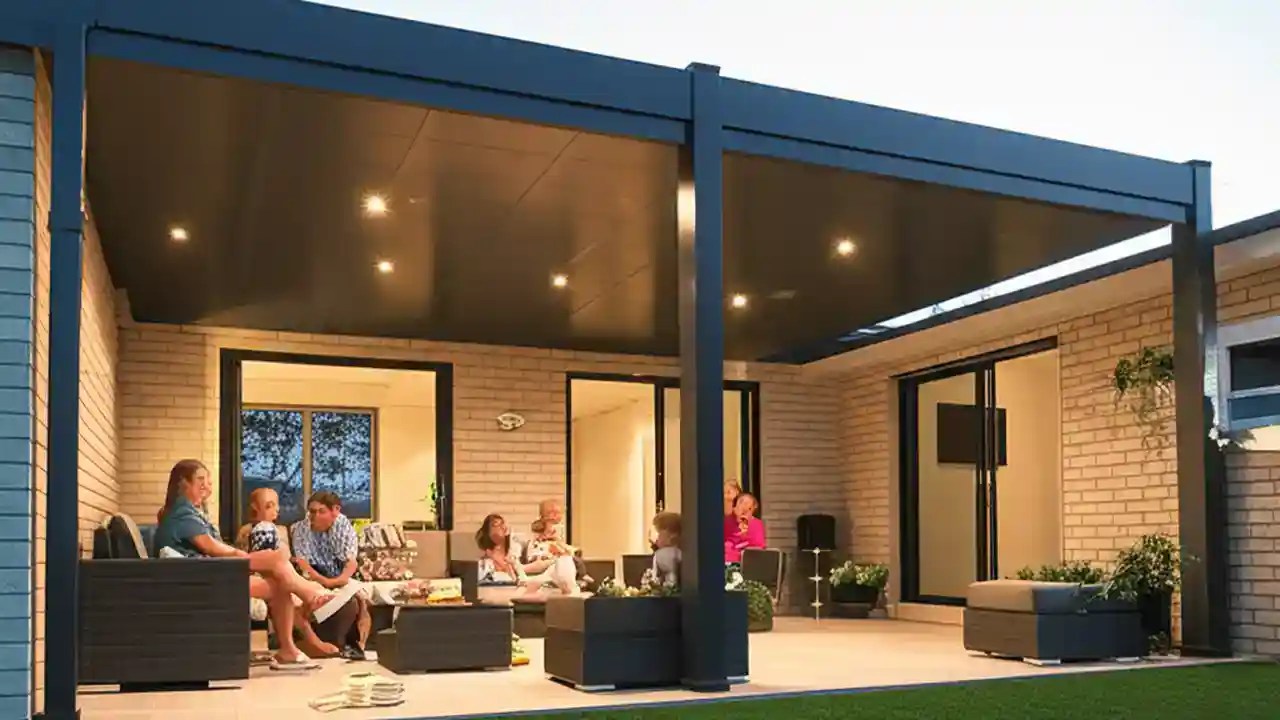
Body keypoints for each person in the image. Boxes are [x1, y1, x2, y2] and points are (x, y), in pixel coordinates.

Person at [152, 459, 333, 671]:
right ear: (182, 483)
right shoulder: (183, 512)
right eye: (200, 480)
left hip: (205, 573)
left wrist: (243, 559)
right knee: (274, 559)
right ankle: (310, 594)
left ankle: (289, 648)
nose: (206, 486)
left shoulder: (190, 512)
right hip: (201, 577)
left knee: (278, 577)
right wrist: (241, 557)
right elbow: (212, 548)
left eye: (208, 481)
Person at [237, 488, 362, 660]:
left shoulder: (271, 528)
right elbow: (266, 559)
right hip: (266, 574)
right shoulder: (262, 529)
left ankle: (342, 643)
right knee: (286, 591)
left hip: (282, 573)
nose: (276, 510)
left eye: (275, 505)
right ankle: (310, 638)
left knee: (289, 589)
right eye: (268, 506)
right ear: (254, 508)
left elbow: (349, 560)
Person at [290, 491, 371, 660]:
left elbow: (351, 562)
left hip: (339, 574)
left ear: (335, 511)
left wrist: (338, 581)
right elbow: (304, 566)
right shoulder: (301, 528)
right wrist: (324, 581)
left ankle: (358, 644)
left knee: (361, 599)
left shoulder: (342, 524)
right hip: (312, 574)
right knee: (313, 596)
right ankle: (316, 642)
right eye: (312, 512)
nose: (314, 516)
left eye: (321, 512)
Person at [476, 513, 577, 595]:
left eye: (503, 523)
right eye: (496, 525)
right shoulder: (486, 562)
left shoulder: (517, 548)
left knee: (564, 561)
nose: (502, 526)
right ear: (488, 532)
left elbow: (536, 547)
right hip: (504, 591)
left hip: (528, 587)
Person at [525, 498, 593, 587]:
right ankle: (581, 576)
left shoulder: (559, 527)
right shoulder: (540, 524)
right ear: (543, 514)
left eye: (558, 513)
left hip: (554, 552)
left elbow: (558, 541)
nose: (555, 516)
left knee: (574, 557)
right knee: (568, 558)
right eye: (551, 512)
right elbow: (538, 537)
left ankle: (580, 576)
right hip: (541, 552)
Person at [723, 491, 766, 564]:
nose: (744, 507)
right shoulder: (726, 522)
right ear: (734, 507)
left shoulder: (757, 524)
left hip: (748, 562)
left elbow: (759, 547)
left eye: (749, 508)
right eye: (741, 502)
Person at [650, 512, 682, 586]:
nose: (656, 539)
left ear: (672, 535)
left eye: (659, 533)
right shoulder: (684, 553)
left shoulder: (663, 554)